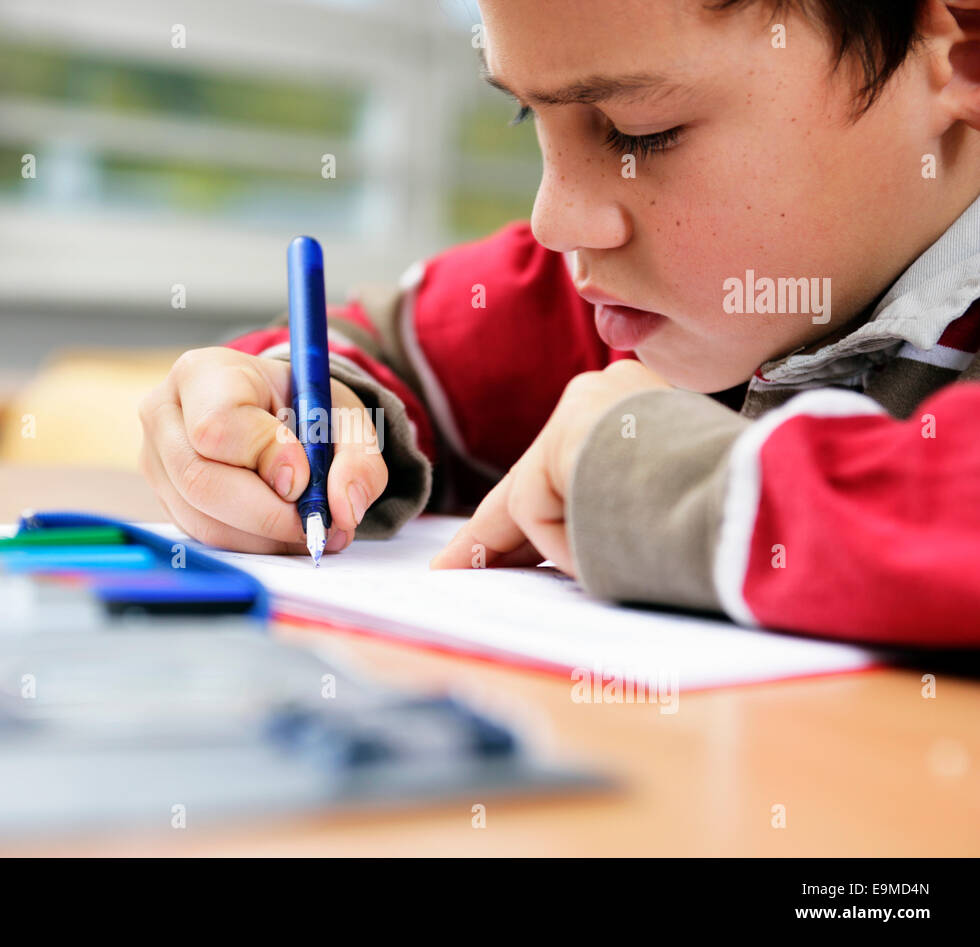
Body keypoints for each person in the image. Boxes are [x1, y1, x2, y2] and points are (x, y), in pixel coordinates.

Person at [139, 0, 980, 645]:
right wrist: (295, 408)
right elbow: (382, 343)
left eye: (637, 132)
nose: (555, 218)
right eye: (525, 116)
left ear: (963, 60)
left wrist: (664, 481)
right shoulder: (639, 301)